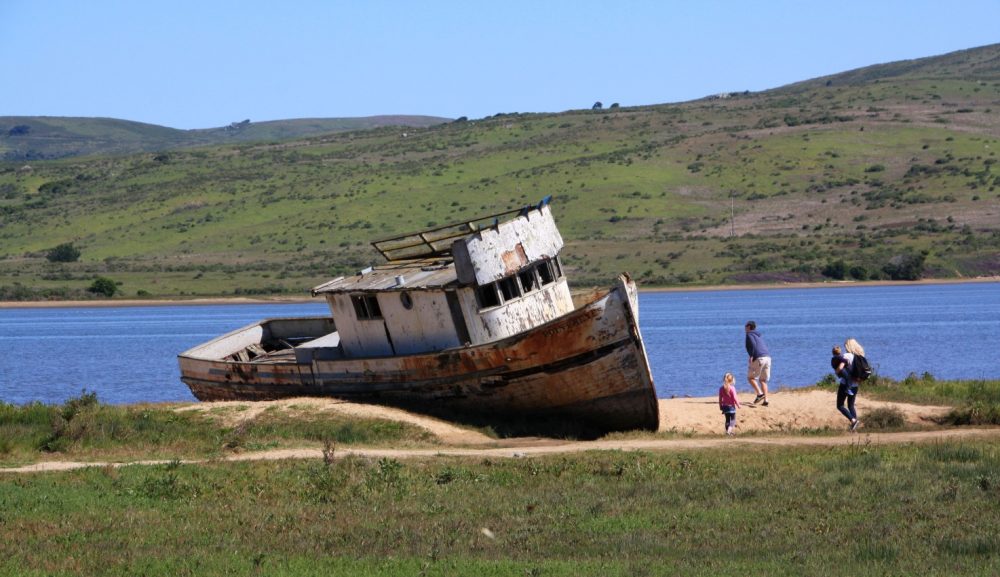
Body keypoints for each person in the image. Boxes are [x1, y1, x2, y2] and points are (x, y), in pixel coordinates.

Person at [834, 338, 865, 432]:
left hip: (845, 384)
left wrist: (837, 371)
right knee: (851, 405)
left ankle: (853, 420)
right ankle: (854, 428)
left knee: (840, 405)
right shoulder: (859, 356)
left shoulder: (846, 356)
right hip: (855, 385)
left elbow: (840, 367)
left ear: (848, 346)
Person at [744, 321, 771, 406]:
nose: (744, 327)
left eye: (745, 326)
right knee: (763, 380)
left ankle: (759, 394)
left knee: (750, 377)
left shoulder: (749, 334)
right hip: (767, 358)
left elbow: (753, 344)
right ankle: (766, 400)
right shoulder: (758, 335)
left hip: (759, 358)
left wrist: (752, 355)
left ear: (749, 327)